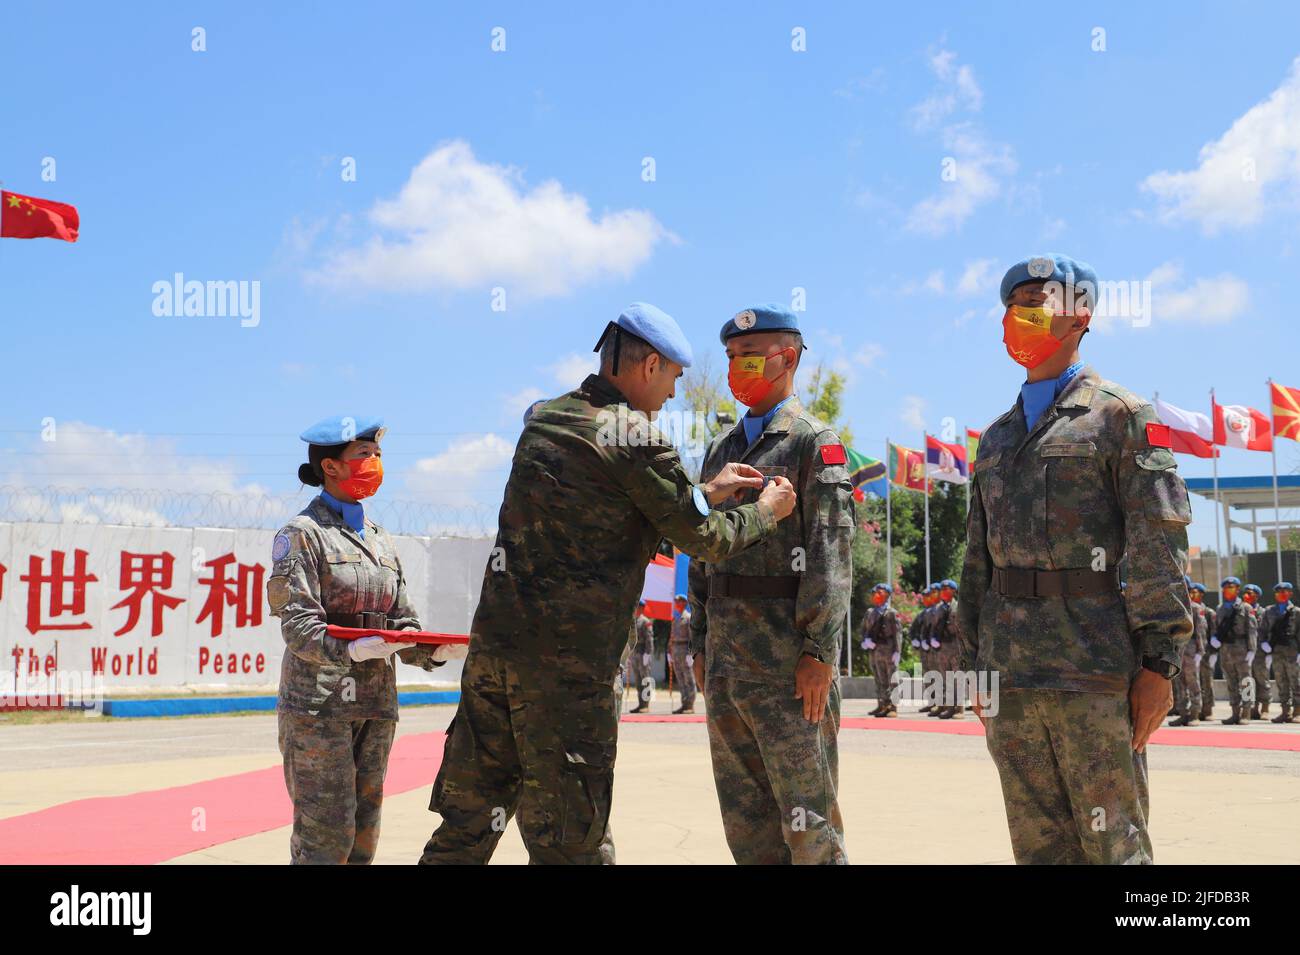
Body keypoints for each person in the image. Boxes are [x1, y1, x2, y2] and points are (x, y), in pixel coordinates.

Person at [418, 303, 797, 865]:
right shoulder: (636, 438)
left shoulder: (545, 419)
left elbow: (611, 501)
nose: (671, 395)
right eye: (673, 378)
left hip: (494, 662)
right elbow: (708, 541)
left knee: (466, 830)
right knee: (573, 841)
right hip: (568, 677)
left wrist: (705, 489)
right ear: (648, 366)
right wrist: (766, 511)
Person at [959, 254, 1193, 864]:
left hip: (1095, 669)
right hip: (1009, 673)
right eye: (1016, 304)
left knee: (1114, 846)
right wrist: (969, 661)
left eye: (1042, 302)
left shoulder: (1121, 417)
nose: (1024, 315)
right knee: (1038, 849)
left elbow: (1157, 543)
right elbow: (977, 564)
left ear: (1081, 314)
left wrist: (1159, 663)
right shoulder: (997, 436)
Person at [689, 303, 853, 865]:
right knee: (746, 826)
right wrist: (699, 640)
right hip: (728, 661)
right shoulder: (721, 449)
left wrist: (819, 649)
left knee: (808, 826)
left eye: (750, 357)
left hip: (790, 666)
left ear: (787, 358)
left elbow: (832, 557)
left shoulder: (813, 442)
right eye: (732, 357)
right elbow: (701, 552)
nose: (737, 368)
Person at [267, 416, 462, 864]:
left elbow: (400, 621)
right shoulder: (302, 534)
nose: (374, 463)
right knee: (326, 837)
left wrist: (431, 651)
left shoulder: (379, 538)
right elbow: (298, 624)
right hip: (320, 708)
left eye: (377, 456)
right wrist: (349, 649)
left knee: (363, 838)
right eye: (364, 455)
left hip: (375, 705)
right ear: (331, 466)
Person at [1212, 576, 1258, 725]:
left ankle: (1246, 713)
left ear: (1237, 590)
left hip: (1242, 649)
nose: (1228, 591)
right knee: (1230, 682)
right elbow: (1217, 628)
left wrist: (1252, 649)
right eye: (1226, 589)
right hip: (1225, 650)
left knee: (1245, 682)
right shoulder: (1219, 608)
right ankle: (1235, 712)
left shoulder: (1246, 608)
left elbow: (1252, 630)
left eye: (1231, 588)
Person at [1259, 583, 1300, 723]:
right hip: (1276, 651)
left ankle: (1297, 711)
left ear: (1290, 594)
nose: (1282, 594)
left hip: (1292, 651)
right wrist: (1264, 643)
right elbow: (1262, 630)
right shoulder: (1269, 611)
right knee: (1281, 682)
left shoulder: (1296, 611)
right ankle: (1285, 711)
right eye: (1278, 592)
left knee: (1296, 681)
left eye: (1285, 592)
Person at [1169, 577, 1206, 726]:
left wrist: (1200, 652)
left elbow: (1201, 631)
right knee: (1179, 683)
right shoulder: (1172, 608)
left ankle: (1195, 714)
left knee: (1193, 683)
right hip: (1177, 650)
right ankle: (1183, 713)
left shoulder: (1196, 608)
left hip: (1191, 650)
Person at [862, 583, 901, 718]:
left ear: (887, 595)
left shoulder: (891, 613)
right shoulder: (870, 613)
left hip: (889, 650)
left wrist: (897, 651)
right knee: (880, 679)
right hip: (876, 650)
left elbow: (897, 633)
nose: (877, 595)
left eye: (881, 593)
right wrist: (865, 641)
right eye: (875, 592)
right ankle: (882, 704)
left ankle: (893, 707)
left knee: (892, 679)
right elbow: (865, 630)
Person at [930, 579, 964, 719]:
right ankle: (950, 707)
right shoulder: (938, 608)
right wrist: (933, 639)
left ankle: (959, 709)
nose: (944, 592)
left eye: (947, 590)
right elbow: (934, 626)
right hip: (943, 648)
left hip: (955, 647)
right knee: (946, 678)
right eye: (942, 590)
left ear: (954, 591)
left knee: (958, 678)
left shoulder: (958, 607)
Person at [1241, 583, 1272, 719]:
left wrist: (1268, 649)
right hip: (1244, 652)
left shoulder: (1263, 612)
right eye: (1245, 593)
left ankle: (1265, 707)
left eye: (1250, 593)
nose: (1246, 596)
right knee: (1247, 680)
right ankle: (1252, 708)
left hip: (1260, 652)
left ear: (1257, 596)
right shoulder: (1240, 610)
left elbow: (1269, 631)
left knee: (1262, 679)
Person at [1189, 583, 1217, 720]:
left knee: (1207, 681)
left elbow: (1213, 634)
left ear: (1202, 595)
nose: (1194, 596)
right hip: (1192, 652)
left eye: (1197, 593)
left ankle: (1208, 709)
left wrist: (1214, 653)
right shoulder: (1189, 610)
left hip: (1206, 652)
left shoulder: (1208, 612)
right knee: (1196, 680)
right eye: (1192, 593)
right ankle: (1197, 708)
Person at [669, 593, 697, 714]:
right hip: (676, 650)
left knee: (688, 678)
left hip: (685, 649)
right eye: (675, 601)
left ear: (684, 603)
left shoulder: (688, 617)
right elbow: (671, 637)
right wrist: (669, 651)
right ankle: (684, 703)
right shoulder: (675, 618)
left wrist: (690, 654)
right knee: (680, 678)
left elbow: (692, 638)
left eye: (678, 601)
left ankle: (690, 704)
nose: (676, 603)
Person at [913, 585, 939, 713]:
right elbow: (915, 628)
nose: (926, 599)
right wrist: (916, 639)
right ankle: (931, 701)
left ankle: (941, 703)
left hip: (937, 649)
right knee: (928, 675)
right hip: (925, 649)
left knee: (938, 676)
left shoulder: (939, 611)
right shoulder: (924, 613)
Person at [626, 600, 656, 714]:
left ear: (643, 608)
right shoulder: (633, 620)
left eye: (639, 607)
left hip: (643, 652)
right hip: (634, 653)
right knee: (638, 680)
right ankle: (640, 704)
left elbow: (649, 639)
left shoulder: (645, 621)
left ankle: (646, 705)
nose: (636, 609)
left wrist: (648, 654)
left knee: (645, 680)